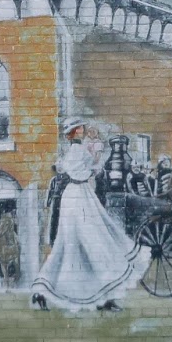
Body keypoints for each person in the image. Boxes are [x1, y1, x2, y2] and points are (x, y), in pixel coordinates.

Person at [31, 120, 140, 313]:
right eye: (79, 129)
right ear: (73, 133)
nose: (82, 131)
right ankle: (102, 298)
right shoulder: (76, 151)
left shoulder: (77, 150)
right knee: (92, 243)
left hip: (80, 196)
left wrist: (95, 159)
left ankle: (43, 291)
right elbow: (80, 172)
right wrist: (94, 167)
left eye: (82, 128)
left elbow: (86, 166)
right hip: (77, 198)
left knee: (74, 248)